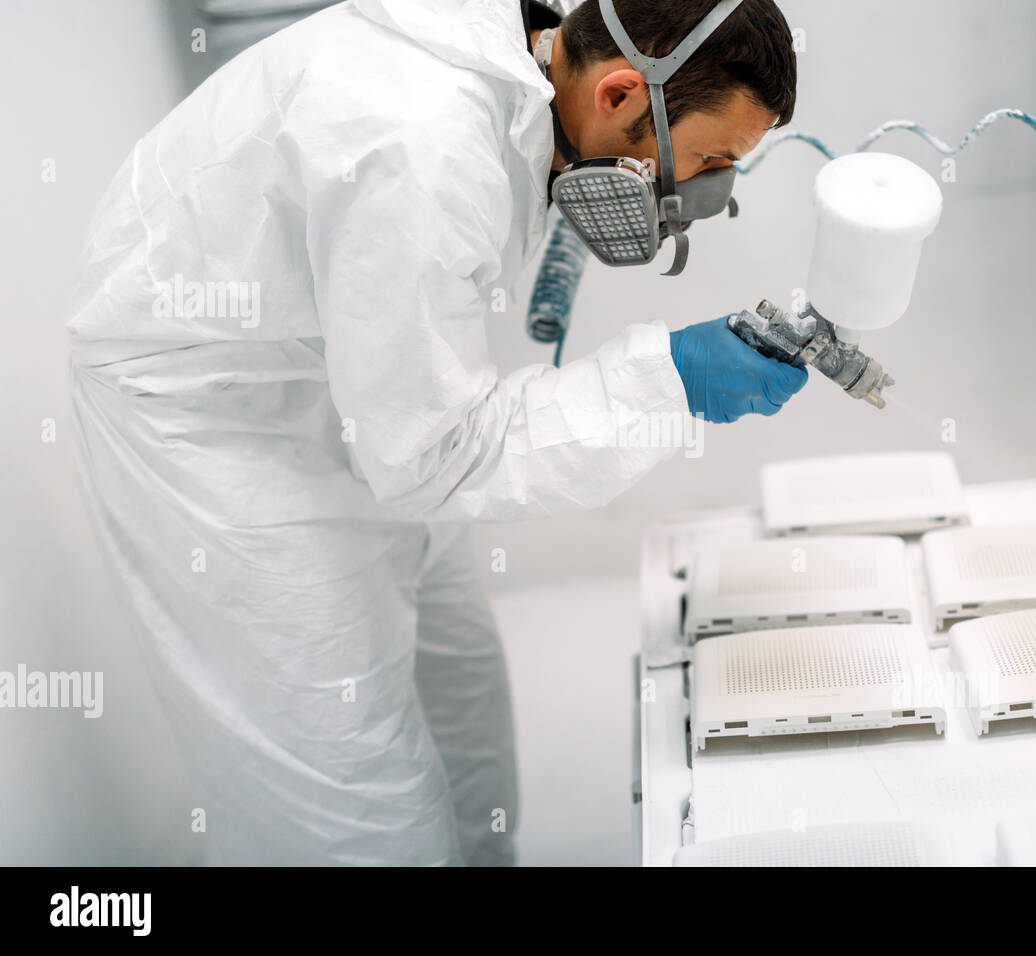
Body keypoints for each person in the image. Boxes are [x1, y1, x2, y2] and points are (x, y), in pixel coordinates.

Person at [66, 0, 803, 865]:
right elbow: (432, 458)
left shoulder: (531, 60)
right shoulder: (421, 147)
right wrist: (668, 381)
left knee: (461, 710)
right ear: (615, 95)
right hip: (213, 418)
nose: (701, 194)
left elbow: (418, 421)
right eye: (708, 160)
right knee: (354, 807)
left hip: (345, 381)